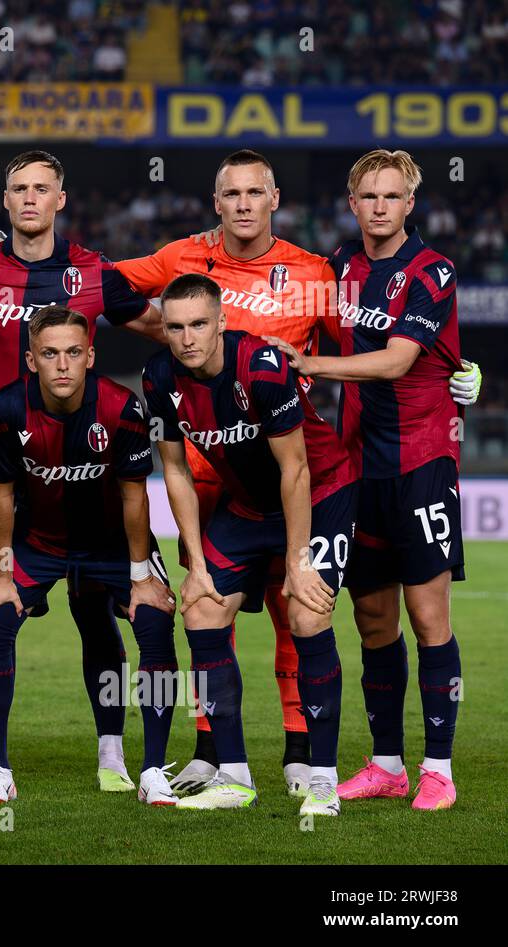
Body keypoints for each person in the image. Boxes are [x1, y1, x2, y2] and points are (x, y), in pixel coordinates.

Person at [0, 149, 165, 791]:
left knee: (95, 614)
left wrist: (247, 342)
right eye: (18, 188)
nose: (29, 199)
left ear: (60, 199)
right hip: (2, 468)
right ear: (6, 201)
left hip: (89, 475)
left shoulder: (92, 272)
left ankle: (116, 753)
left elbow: (165, 326)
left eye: (40, 189)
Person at [265, 149, 465, 811]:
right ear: (352, 204)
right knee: (373, 620)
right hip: (359, 469)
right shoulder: (343, 267)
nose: (379, 207)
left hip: (422, 464)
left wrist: (309, 366)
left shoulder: (431, 271)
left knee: (427, 616)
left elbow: (399, 361)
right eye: (368, 197)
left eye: (391, 197)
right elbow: (297, 317)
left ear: (410, 204)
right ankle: (387, 764)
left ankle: (438, 767)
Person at [142, 274, 358, 816]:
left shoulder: (262, 367)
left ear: (220, 323)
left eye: (198, 324)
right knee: (202, 608)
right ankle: (235, 777)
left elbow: (296, 468)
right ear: (163, 329)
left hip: (321, 489)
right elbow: (175, 472)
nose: (188, 337)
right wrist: (193, 562)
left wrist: (299, 561)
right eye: (176, 326)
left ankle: (324, 780)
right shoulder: (158, 377)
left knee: (308, 614)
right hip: (244, 505)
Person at [0, 305, 178, 805]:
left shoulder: (121, 407)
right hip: (39, 542)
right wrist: (1, 575)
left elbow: (135, 495)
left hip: (112, 545)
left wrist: (140, 575)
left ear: (90, 356)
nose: (61, 365)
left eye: (71, 353)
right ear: (31, 359)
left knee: (152, 623)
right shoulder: (5, 408)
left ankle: (146, 768)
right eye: (49, 354)